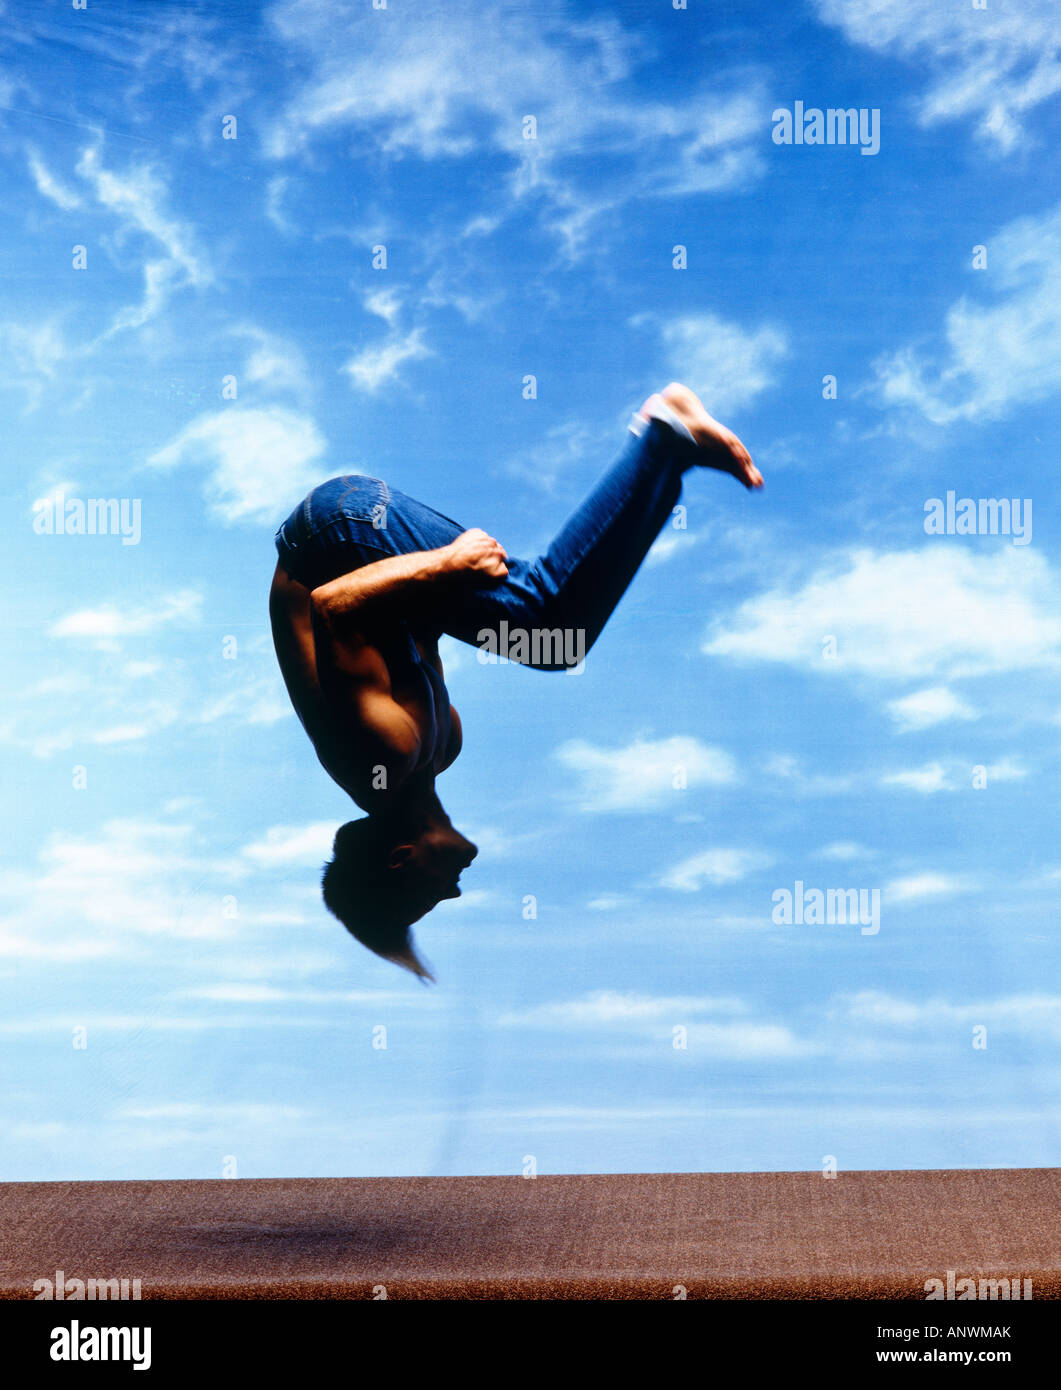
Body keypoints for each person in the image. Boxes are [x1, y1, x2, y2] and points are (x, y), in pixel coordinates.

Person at [269, 382, 762, 979]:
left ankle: (661, 432)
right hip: (354, 547)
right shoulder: (438, 749)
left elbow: (332, 607)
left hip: (336, 533)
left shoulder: (383, 755)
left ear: (402, 859)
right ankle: (672, 452)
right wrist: (454, 588)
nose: (451, 896)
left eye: (428, 900)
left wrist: (445, 566)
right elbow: (414, 632)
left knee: (552, 626)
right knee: (554, 636)